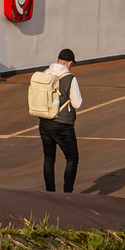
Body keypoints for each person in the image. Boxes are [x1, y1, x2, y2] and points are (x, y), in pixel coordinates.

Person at [39, 49, 83, 192]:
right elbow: (77, 103)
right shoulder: (70, 78)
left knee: (49, 157)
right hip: (63, 124)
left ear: (57, 58)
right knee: (72, 158)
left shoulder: (45, 74)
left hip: (45, 121)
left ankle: (50, 192)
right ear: (69, 63)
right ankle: (67, 192)